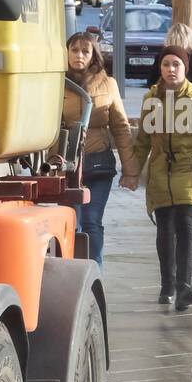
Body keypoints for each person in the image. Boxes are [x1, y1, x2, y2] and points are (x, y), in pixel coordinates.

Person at [132, 46, 192, 311]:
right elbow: (143, 141)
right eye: (166, 65)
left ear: (185, 69)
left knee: (185, 227)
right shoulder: (151, 98)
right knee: (165, 230)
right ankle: (167, 285)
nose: (171, 70)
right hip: (160, 173)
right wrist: (131, 173)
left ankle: (185, 285)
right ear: (160, 69)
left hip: (188, 174)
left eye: (176, 65)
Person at [60, 32, 139, 267]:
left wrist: (130, 170)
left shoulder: (108, 84)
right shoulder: (56, 83)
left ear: (94, 55)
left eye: (85, 51)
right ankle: (71, 275)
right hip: (67, 166)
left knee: (92, 221)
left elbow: (121, 128)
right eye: (74, 50)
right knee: (72, 223)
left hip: (98, 165)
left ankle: (95, 272)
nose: (79, 56)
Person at [147, 23, 192, 97]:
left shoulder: (163, 57)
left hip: (167, 102)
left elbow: (151, 83)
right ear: (191, 38)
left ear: (169, 38)